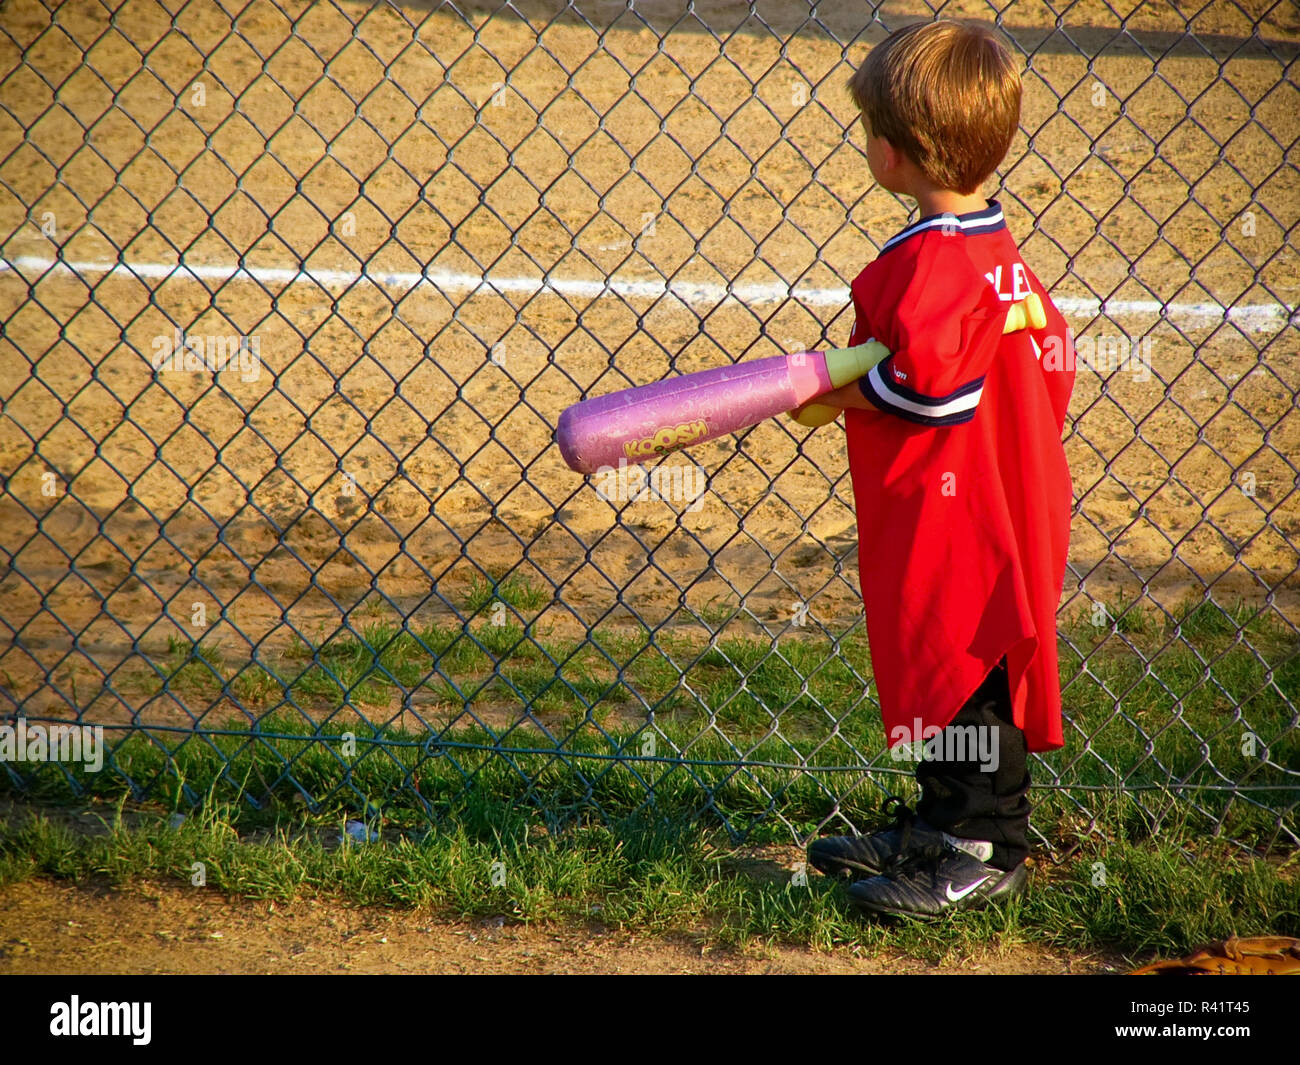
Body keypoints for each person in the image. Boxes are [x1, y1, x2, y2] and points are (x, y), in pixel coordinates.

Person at [795, 19, 1077, 917]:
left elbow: (930, 394)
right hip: (995, 499)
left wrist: (837, 394)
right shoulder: (993, 251)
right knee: (941, 663)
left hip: (965, 517)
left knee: (968, 674)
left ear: (893, 154)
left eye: (869, 128)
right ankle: (939, 819)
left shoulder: (939, 261)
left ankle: (984, 847)